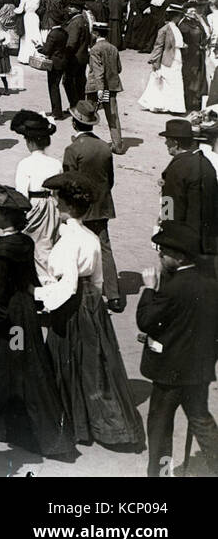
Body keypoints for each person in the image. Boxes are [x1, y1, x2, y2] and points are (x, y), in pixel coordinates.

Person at [34, 172, 144, 450]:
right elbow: (97, 278)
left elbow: (68, 284)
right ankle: (100, 421)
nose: (56, 206)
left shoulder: (69, 239)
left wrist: (41, 299)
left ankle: (74, 419)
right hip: (92, 302)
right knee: (94, 362)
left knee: (67, 358)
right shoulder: (90, 237)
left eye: (58, 202)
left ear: (69, 207)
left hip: (72, 304)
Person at [0, 184, 75, 459]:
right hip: (24, 314)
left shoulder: (3, 249)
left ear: (6, 216)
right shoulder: (25, 242)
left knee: (0, 362)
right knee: (23, 362)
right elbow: (29, 280)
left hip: (10, 317)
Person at [137, 220, 218, 477]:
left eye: (164, 252)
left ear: (178, 256)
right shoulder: (210, 284)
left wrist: (149, 289)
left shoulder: (171, 288)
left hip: (168, 372)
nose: (160, 256)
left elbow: (147, 320)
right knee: (201, 420)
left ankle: (158, 475)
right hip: (198, 368)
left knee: (160, 427)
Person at [63, 99, 122, 312]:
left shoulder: (73, 149)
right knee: (105, 248)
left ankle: (78, 292)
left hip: (80, 207)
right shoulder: (104, 148)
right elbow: (110, 180)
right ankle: (114, 295)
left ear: (74, 123)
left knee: (75, 247)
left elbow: (68, 181)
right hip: (102, 205)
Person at [159, 117, 218, 275]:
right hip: (207, 241)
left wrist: (164, 234)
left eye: (167, 140)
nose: (166, 144)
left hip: (181, 242)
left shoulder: (176, 169)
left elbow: (168, 207)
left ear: (176, 143)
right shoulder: (206, 165)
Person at [9, 109, 62, 283]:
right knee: (49, 245)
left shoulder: (25, 164)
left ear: (30, 142)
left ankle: (41, 284)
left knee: (34, 249)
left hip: (34, 205)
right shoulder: (56, 164)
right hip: (52, 205)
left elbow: (22, 194)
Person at [86, 20, 125, 155]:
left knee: (88, 114)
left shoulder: (95, 49)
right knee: (112, 115)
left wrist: (100, 89)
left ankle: (86, 143)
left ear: (95, 33)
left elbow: (98, 70)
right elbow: (118, 69)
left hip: (96, 88)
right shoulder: (113, 48)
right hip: (112, 87)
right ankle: (118, 145)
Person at [140, 3, 187, 115]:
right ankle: (169, 106)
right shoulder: (165, 29)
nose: (180, 18)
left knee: (173, 83)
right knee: (168, 82)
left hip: (176, 58)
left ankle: (170, 106)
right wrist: (155, 62)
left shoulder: (176, 28)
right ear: (174, 16)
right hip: (168, 59)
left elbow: (177, 43)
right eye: (179, 16)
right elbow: (158, 46)